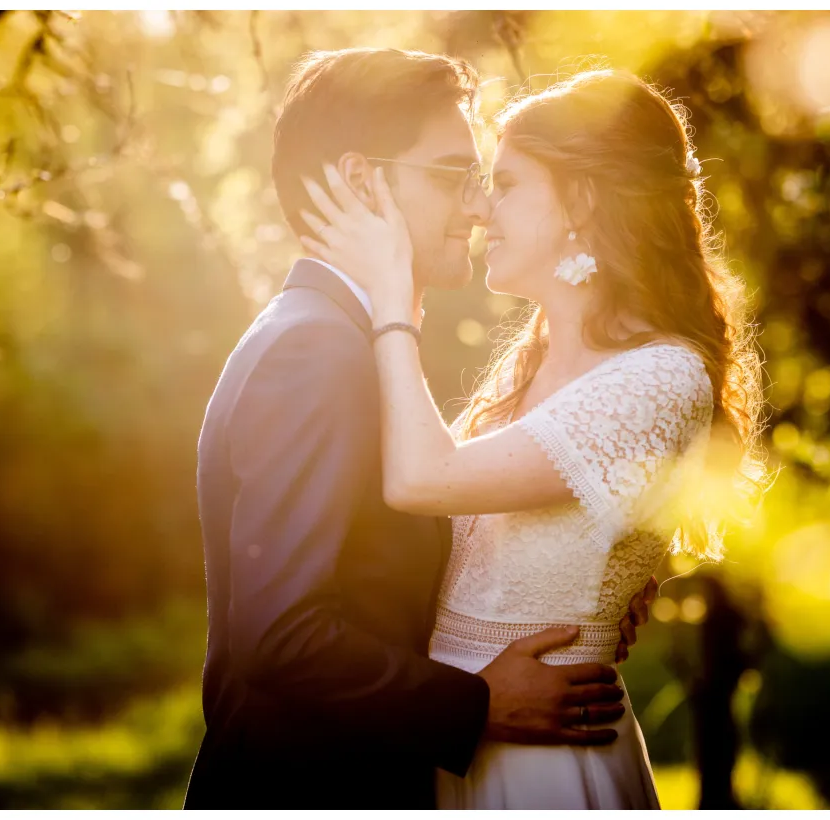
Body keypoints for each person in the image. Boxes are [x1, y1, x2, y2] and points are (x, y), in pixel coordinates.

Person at [184, 51, 657, 810]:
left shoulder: (347, 339)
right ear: (361, 182)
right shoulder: (317, 351)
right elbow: (280, 632)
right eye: (449, 176)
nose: (475, 209)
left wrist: (582, 592)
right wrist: (476, 705)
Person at [298, 68, 766, 809]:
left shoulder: (661, 377)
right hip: (460, 736)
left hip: (541, 765)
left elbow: (422, 480)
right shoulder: (534, 354)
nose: (480, 208)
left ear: (582, 198)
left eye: (506, 183)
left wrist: (393, 296)